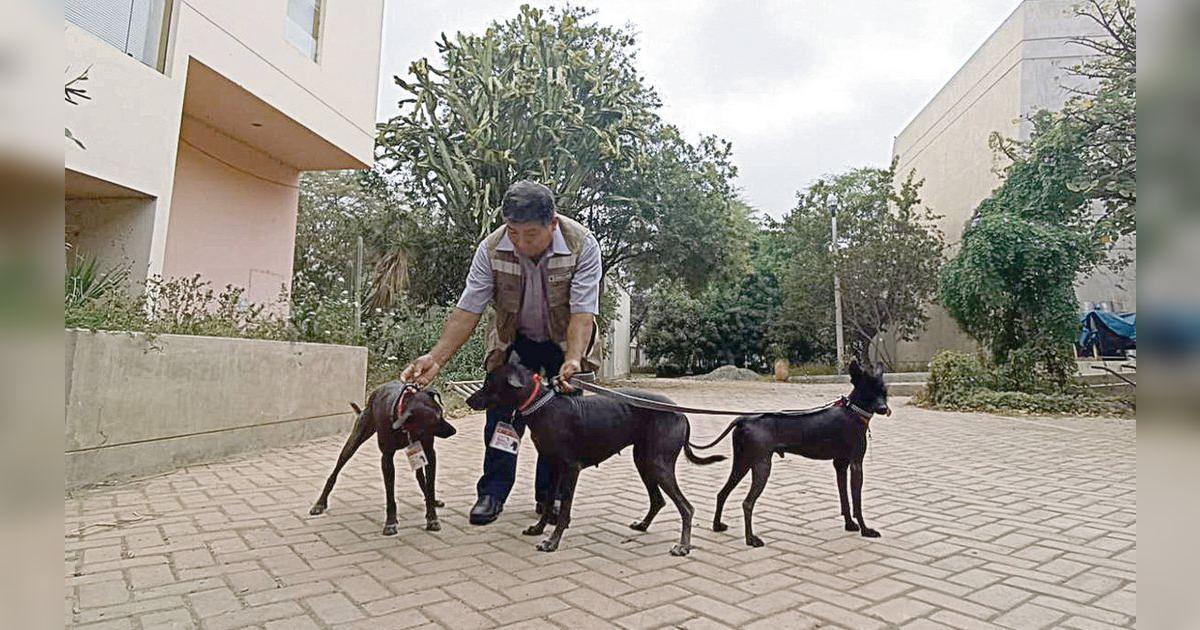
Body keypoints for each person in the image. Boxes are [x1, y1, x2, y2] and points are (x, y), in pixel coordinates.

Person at [400, 180, 603, 525]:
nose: (521, 243)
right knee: (501, 420)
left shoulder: (582, 245)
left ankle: (550, 498)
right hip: (515, 344)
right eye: (514, 232)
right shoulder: (491, 248)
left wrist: (573, 358)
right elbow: (469, 309)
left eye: (531, 234)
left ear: (552, 223)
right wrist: (436, 358)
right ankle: (492, 493)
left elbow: (582, 312)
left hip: (563, 345)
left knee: (559, 425)